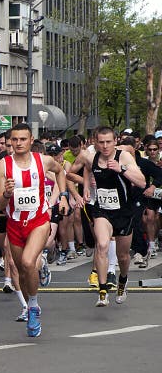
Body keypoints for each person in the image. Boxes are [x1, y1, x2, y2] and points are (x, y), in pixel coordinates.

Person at [0, 124, 69, 337]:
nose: (18, 143)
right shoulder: (3, 165)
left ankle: (33, 307)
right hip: (15, 224)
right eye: (15, 140)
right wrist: (6, 194)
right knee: (22, 273)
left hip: (39, 221)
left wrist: (63, 196)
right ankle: (31, 304)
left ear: (31, 140)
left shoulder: (43, 161)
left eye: (23, 139)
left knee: (28, 262)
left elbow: (60, 171)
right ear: (10, 142)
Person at [69, 126, 146, 306]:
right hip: (102, 210)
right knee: (102, 244)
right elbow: (85, 170)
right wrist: (86, 186)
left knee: (123, 256)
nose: (105, 146)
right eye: (101, 142)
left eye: (108, 142)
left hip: (123, 212)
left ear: (115, 141)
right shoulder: (90, 157)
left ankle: (123, 281)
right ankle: (102, 291)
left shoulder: (123, 157)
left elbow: (142, 182)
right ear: (95, 142)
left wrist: (122, 169)